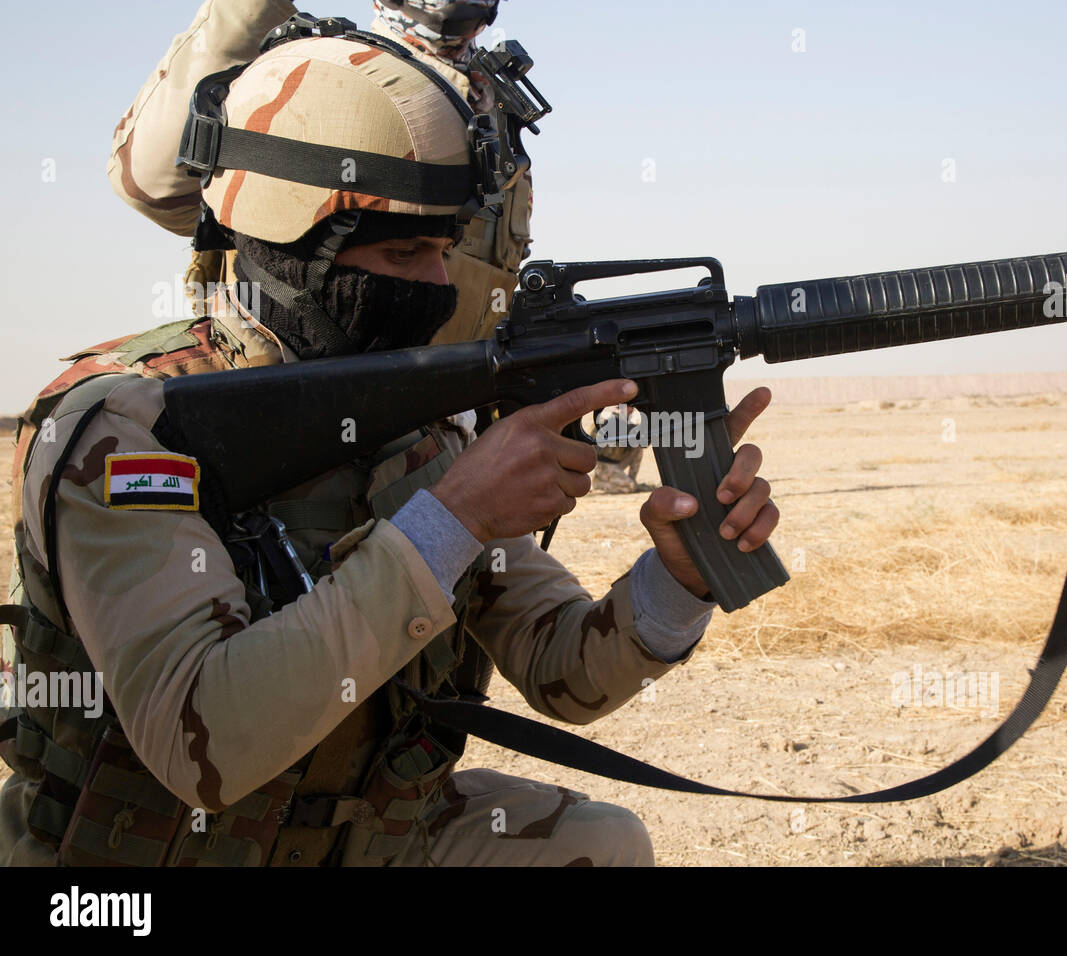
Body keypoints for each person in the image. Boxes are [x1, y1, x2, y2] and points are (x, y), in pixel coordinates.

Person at [0, 27, 777, 867]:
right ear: (292, 245)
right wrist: (453, 518)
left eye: (445, 251)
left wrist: (680, 576)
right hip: (141, 864)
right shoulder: (128, 433)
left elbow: (565, 670)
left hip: (351, 839)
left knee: (600, 845)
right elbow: (205, 751)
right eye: (404, 251)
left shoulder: (422, 428)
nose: (440, 288)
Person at [107, 0, 530, 344]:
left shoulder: (493, 114)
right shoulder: (310, 75)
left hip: (439, 431)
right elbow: (158, 193)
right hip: (280, 397)